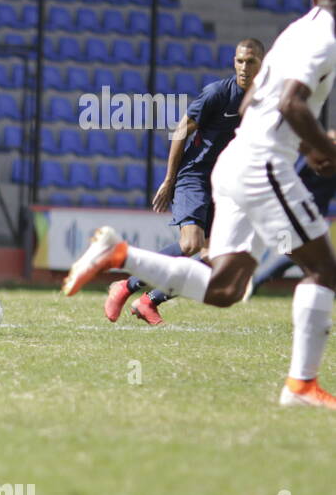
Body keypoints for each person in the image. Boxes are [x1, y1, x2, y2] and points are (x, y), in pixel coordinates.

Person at [62, 0, 336, 409]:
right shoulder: (324, 40)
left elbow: (255, 104)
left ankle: (122, 258)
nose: (244, 66)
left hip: (236, 165)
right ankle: (300, 386)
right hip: (261, 166)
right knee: (323, 269)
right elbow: (290, 103)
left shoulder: (294, 32)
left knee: (226, 287)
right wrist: (321, 146)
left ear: (313, 0)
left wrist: (305, 145)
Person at [105, 38, 265, 325]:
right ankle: (125, 286)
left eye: (250, 61)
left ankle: (149, 301)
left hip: (227, 184)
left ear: (261, 64)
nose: (244, 67)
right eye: (240, 60)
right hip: (196, 176)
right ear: (234, 61)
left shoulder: (265, 101)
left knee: (216, 258)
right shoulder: (217, 93)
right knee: (190, 244)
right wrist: (170, 179)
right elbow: (181, 129)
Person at [249, 129, 336, 293]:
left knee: (302, 257)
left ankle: (257, 280)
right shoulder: (308, 159)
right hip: (289, 215)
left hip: (312, 217)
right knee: (286, 254)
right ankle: (256, 280)